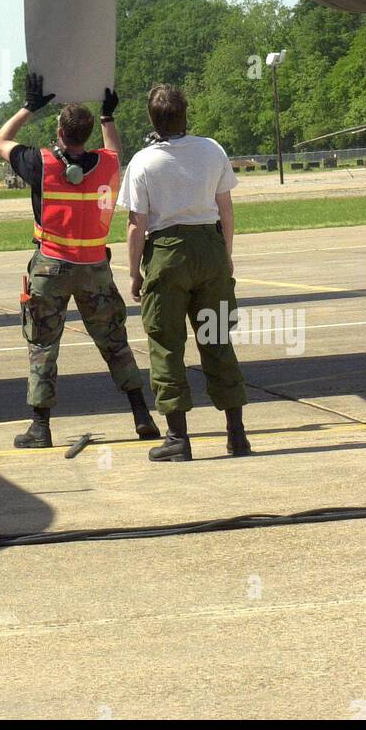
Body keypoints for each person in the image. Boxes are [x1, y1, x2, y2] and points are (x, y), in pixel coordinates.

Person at [0, 73, 160, 448]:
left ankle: (40, 426)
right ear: (86, 133)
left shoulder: (41, 163)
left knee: (43, 345)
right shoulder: (106, 166)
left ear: (60, 131)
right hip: (94, 269)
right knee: (115, 342)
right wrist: (108, 117)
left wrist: (28, 107)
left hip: (51, 266)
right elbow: (115, 149)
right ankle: (141, 415)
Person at [118, 84, 251, 462]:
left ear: (153, 119)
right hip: (209, 249)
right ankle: (236, 435)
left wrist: (134, 273)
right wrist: (225, 256)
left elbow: (135, 224)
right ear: (185, 114)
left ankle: (178, 437)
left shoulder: (143, 162)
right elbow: (225, 209)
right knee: (217, 340)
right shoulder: (212, 150)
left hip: (166, 254)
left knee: (166, 345)